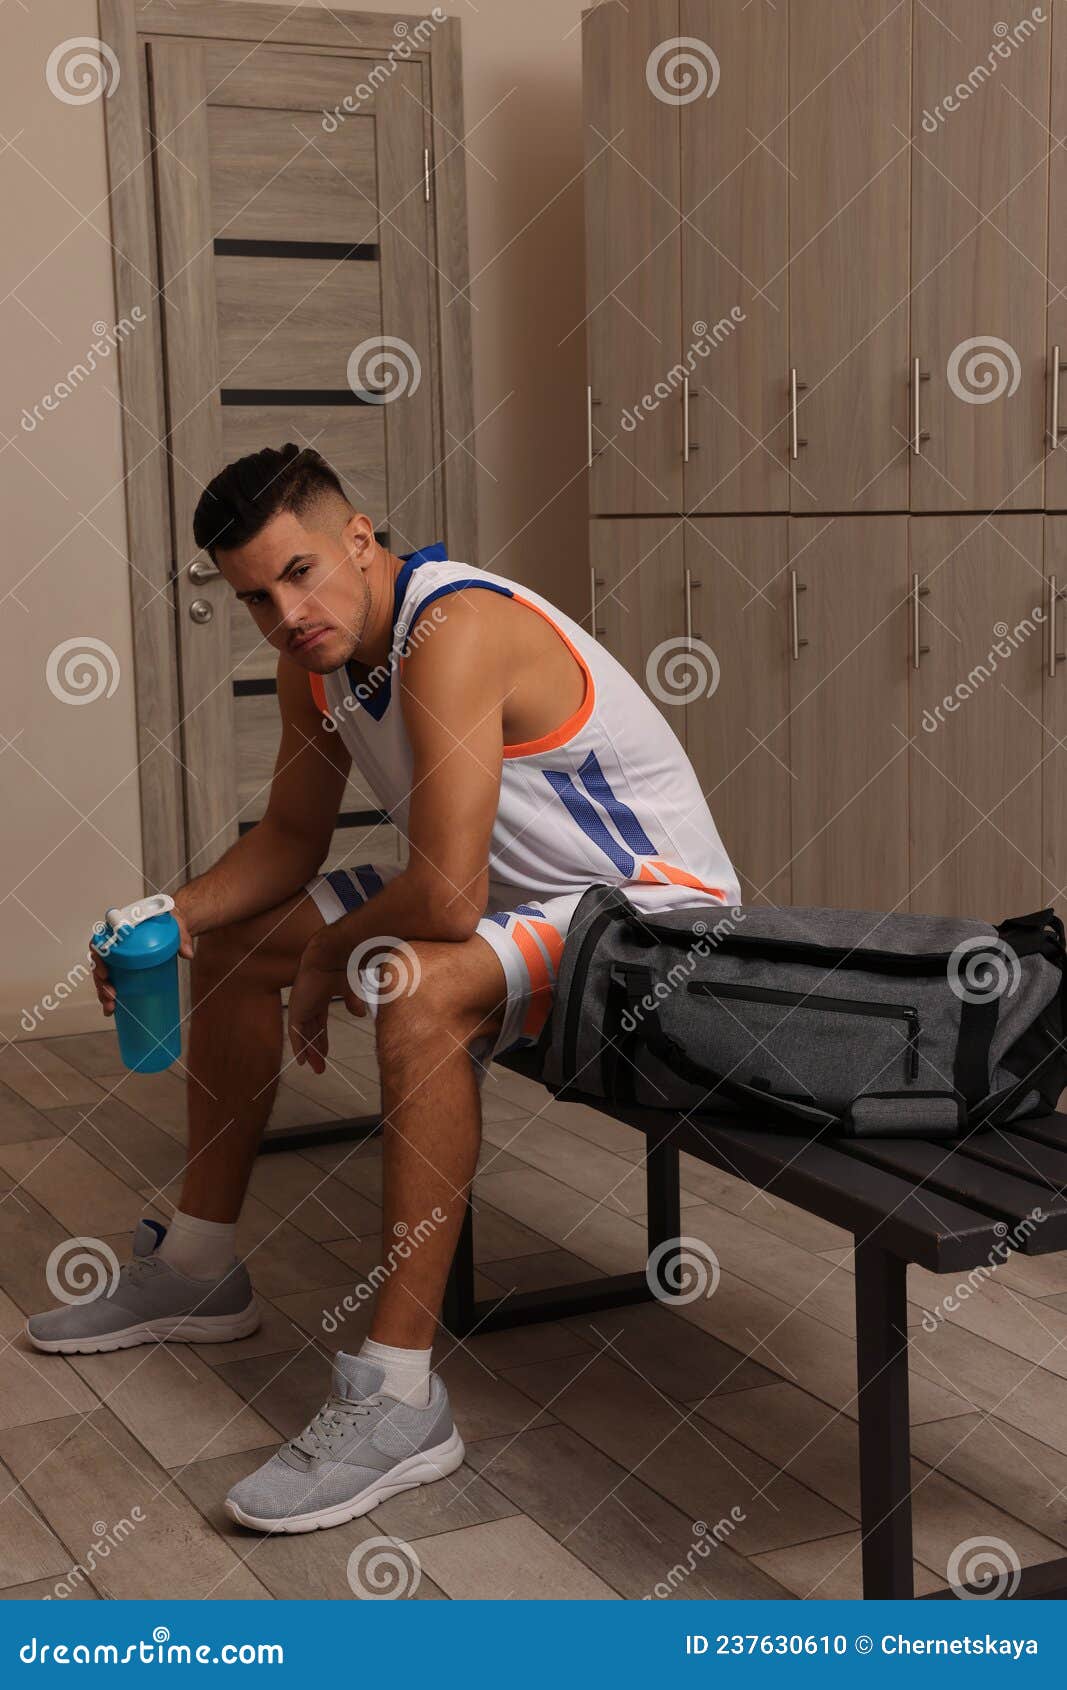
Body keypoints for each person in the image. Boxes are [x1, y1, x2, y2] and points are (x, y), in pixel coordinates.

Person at [26, 444, 740, 1533]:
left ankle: (399, 1396)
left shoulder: (450, 629)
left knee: (414, 984)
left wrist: (327, 958)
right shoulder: (309, 663)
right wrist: (162, 916)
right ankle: (199, 1265)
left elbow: (445, 899)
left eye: (302, 571)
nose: (286, 611)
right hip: (515, 892)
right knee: (234, 942)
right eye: (256, 596)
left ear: (359, 536)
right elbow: (289, 840)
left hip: (651, 917)